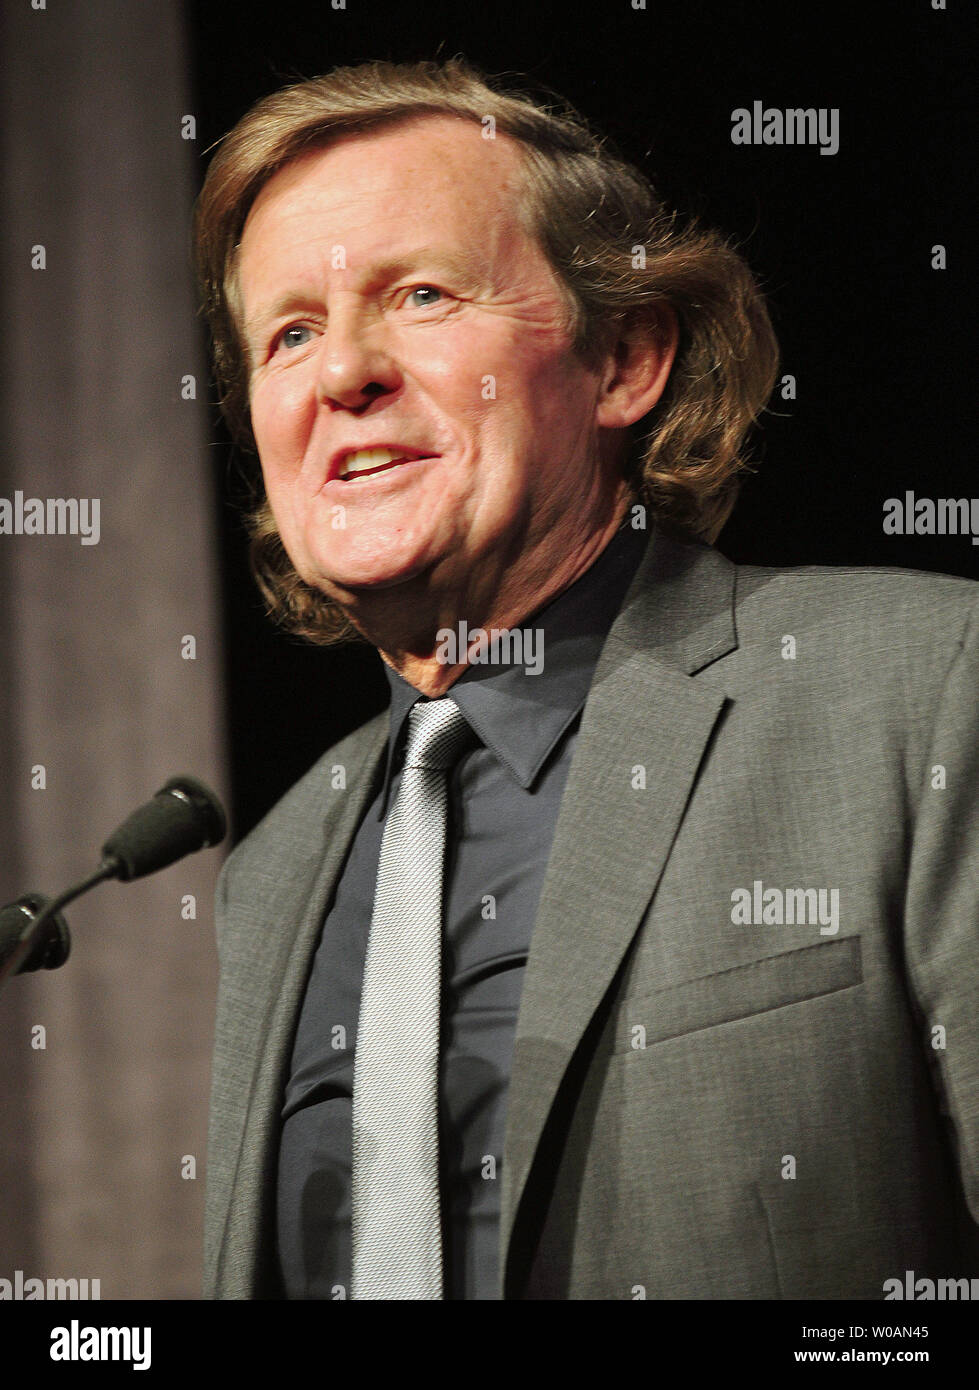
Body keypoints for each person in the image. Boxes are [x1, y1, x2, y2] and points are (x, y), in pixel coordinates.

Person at [195, 57, 979, 1300]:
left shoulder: (920, 690)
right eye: (288, 332)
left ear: (624, 358)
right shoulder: (272, 871)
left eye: (420, 294)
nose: (342, 373)